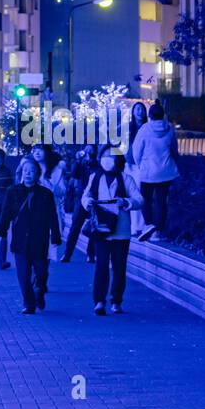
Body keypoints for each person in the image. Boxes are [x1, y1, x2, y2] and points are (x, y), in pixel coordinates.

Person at [82, 148, 143, 314]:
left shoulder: (126, 179)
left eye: (110, 157)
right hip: (101, 229)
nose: (106, 160)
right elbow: (85, 195)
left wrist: (126, 202)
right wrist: (87, 202)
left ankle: (116, 301)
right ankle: (99, 301)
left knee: (119, 267)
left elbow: (139, 200)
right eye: (104, 156)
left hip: (121, 230)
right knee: (101, 265)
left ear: (118, 160)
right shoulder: (95, 177)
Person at [0, 157, 62, 314]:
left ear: (37, 174)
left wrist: (55, 237)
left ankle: (39, 291)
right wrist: (1, 232)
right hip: (20, 240)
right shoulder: (13, 191)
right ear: (21, 173)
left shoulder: (46, 194)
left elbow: (53, 216)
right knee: (23, 275)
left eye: (32, 171)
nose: (28, 174)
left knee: (41, 272)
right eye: (25, 171)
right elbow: (6, 214)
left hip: (40, 240)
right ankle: (29, 303)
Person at [132, 100, 180, 241]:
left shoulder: (145, 129)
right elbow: (174, 150)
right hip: (165, 171)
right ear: (162, 114)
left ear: (150, 115)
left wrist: (140, 164)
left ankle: (148, 224)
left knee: (144, 199)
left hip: (148, 172)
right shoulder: (170, 129)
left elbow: (136, 151)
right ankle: (158, 231)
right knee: (161, 201)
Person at [59, 147, 96, 263]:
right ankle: (67, 253)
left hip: (95, 198)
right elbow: (74, 174)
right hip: (80, 198)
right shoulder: (81, 164)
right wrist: (78, 160)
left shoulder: (97, 164)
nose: (88, 153)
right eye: (86, 150)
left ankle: (90, 254)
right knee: (75, 227)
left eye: (91, 150)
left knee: (94, 227)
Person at [125, 102, 148, 236]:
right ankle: (133, 225)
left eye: (142, 109)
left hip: (142, 166)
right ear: (133, 112)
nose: (140, 112)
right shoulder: (128, 128)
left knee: (140, 195)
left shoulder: (147, 128)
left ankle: (140, 225)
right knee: (131, 196)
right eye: (137, 109)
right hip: (129, 166)